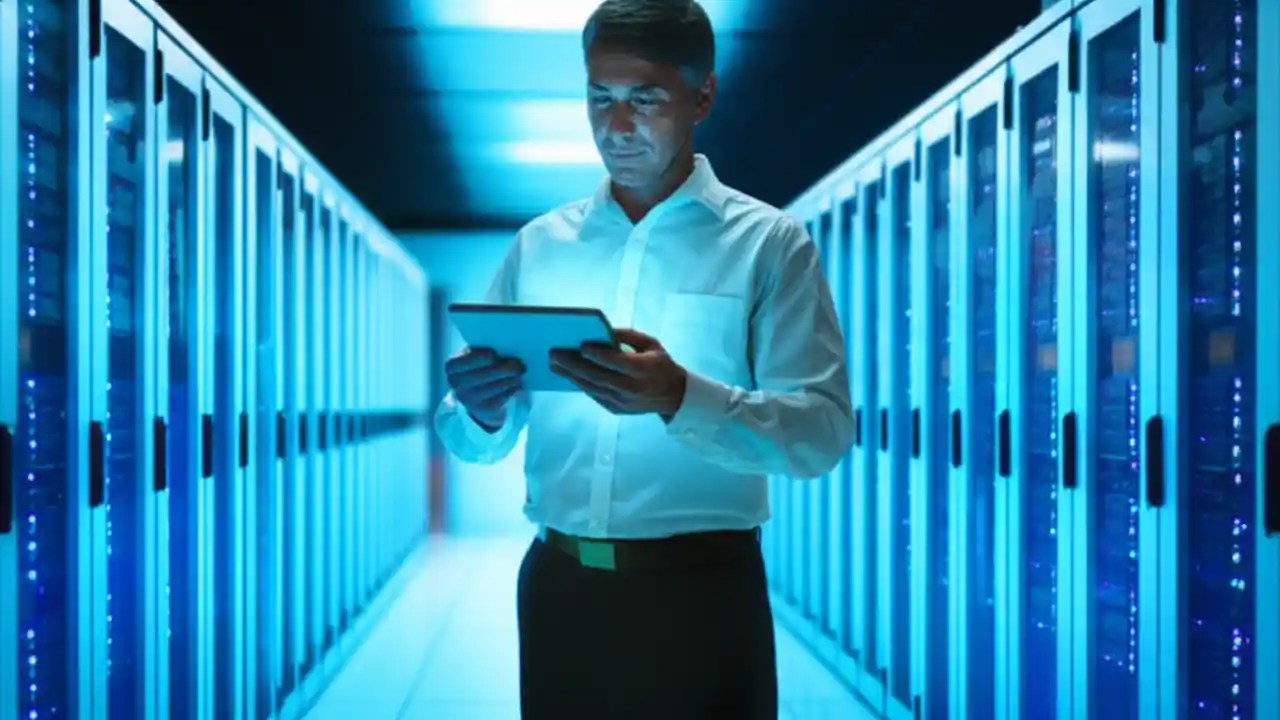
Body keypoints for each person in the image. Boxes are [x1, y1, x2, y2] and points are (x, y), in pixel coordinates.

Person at [433, 1, 853, 717]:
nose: (615, 126)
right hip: (560, 587)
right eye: (599, 98)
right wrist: (477, 409)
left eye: (644, 100)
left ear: (704, 97)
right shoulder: (540, 245)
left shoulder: (769, 245)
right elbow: (476, 441)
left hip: (703, 595)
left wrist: (679, 395)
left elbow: (820, 434)